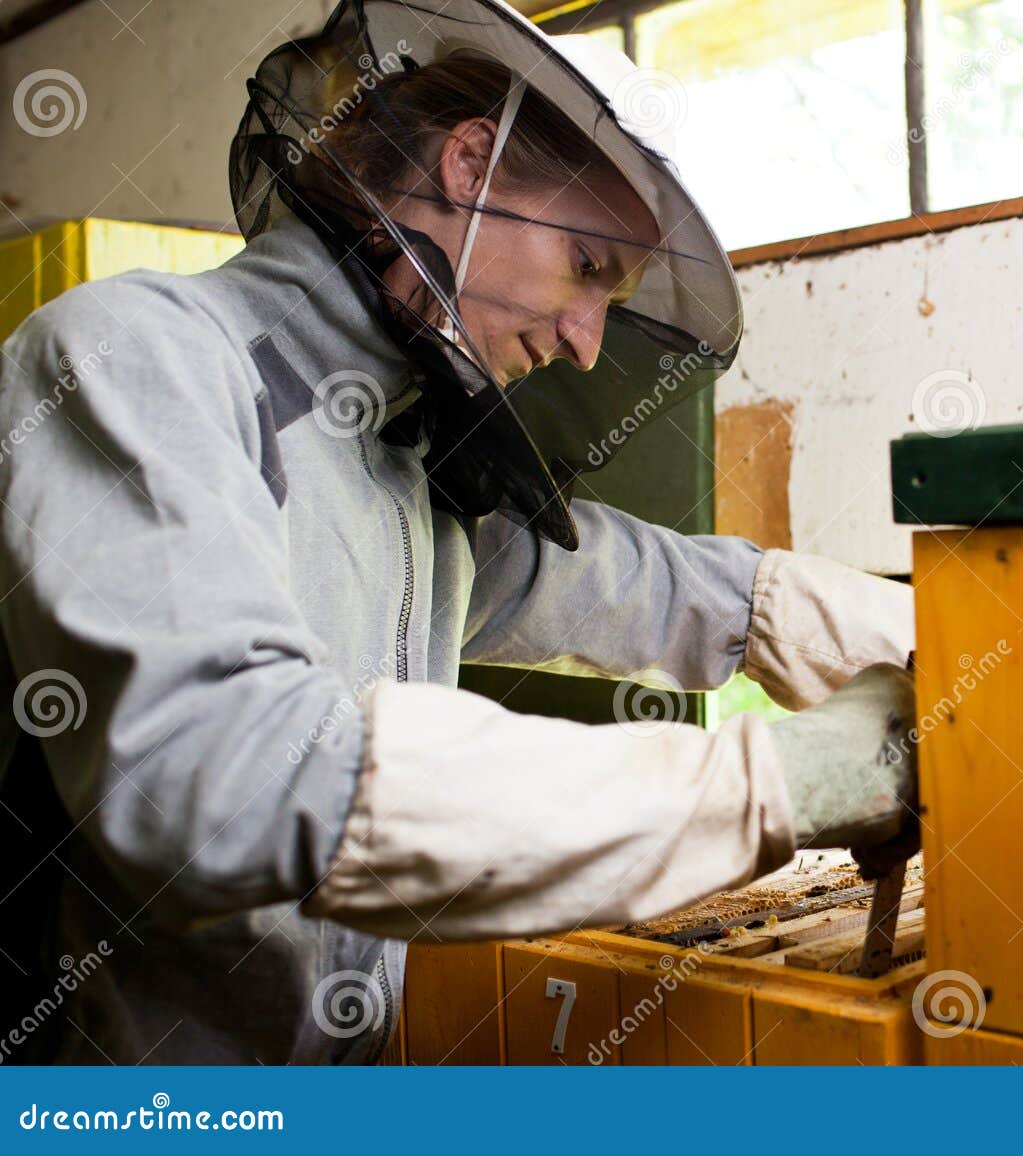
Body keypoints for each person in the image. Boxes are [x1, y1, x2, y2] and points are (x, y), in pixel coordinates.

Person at [0, 0, 916, 1065]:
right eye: (585, 266)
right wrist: (779, 782)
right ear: (469, 164)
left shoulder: (396, 468)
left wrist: (883, 630)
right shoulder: (132, 360)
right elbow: (230, 781)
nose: (585, 346)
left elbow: (635, 582)